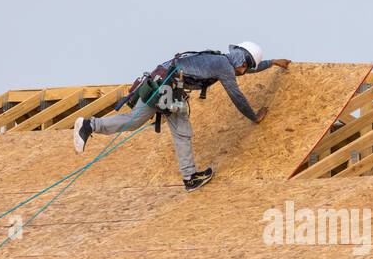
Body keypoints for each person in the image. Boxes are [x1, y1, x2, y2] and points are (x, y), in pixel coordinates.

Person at [73, 42, 290, 190]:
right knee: (165, 127)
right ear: (242, 61)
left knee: (143, 122)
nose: (243, 71)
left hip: (163, 85)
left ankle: (90, 125)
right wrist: (254, 116)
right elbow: (237, 96)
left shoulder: (222, 61)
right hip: (167, 89)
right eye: (245, 66)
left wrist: (272, 62)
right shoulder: (223, 65)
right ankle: (190, 177)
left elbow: (243, 70)